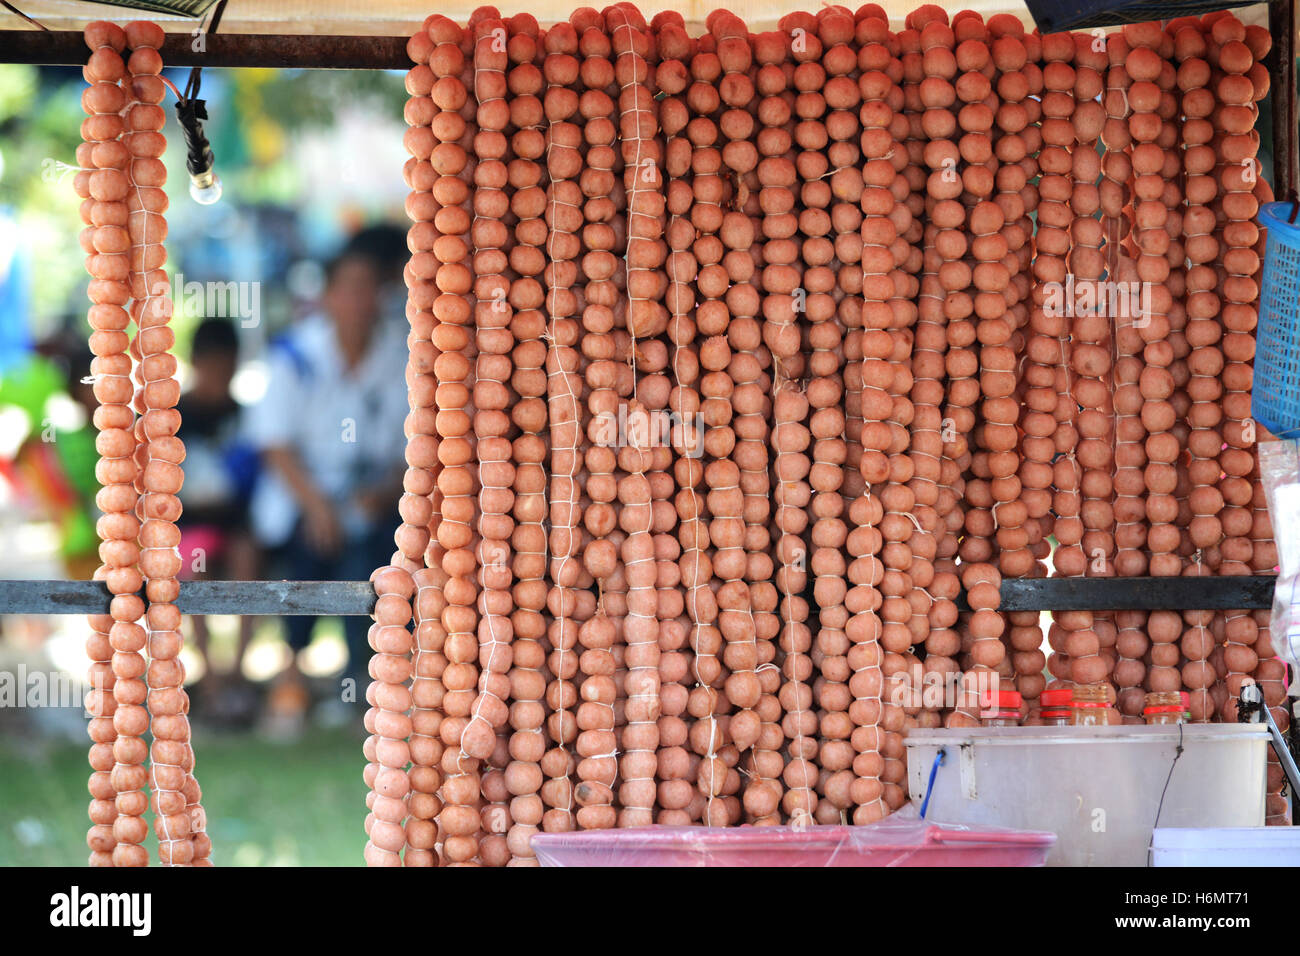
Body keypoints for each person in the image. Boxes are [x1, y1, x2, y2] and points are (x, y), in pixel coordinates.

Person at [247, 229, 407, 718]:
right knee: (311, 547)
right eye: (350, 287)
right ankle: (292, 673)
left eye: (369, 287)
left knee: (383, 554)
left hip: (374, 494)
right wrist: (317, 506)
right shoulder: (295, 355)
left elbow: (416, 446)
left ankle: (366, 674)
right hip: (303, 494)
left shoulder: (402, 355)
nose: (360, 299)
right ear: (329, 296)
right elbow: (274, 444)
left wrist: (384, 494)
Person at [176, 318, 260, 719]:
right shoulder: (172, 418)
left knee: (248, 554)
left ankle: (239, 674)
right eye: (214, 368)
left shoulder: (242, 416)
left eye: (227, 369)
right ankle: (210, 679)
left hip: (234, 527)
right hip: (188, 529)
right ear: (195, 363)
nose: (220, 378)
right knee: (196, 563)